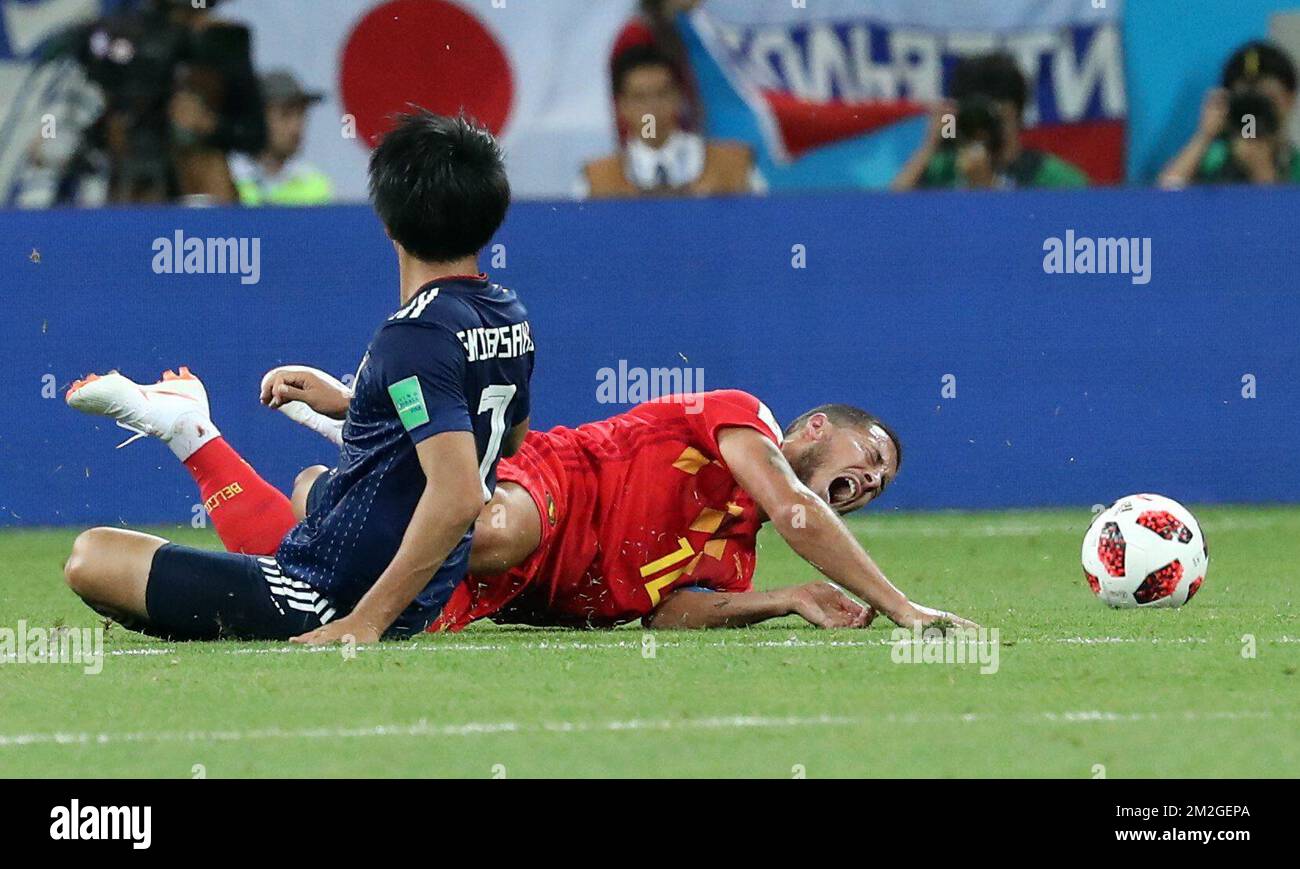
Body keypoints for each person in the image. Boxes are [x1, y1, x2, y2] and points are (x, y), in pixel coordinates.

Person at [62, 110, 533, 645]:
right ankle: (189, 428)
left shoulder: (414, 334)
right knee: (313, 485)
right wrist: (357, 405)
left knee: (90, 556)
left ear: (388, 221)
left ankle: (188, 428)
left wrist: (365, 622)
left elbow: (457, 495)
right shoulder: (507, 314)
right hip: (406, 594)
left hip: (329, 594)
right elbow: (504, 438)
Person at [69, 363, 972, 634]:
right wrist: (904, 608)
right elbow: (800, 513)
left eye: (882, 484)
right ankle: (362, 437)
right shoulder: (746, 420)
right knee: (493, 527)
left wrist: (783, 596)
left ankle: (205, 433)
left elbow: (669, 614)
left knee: (318, 566)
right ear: (814, 427)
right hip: (547, 483)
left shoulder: (737, 549)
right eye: (871, 454)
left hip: (507, 591)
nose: (874, 479)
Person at [578, 44, 764, 198]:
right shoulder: (595, 179)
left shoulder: (734, 165)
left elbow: (763, 231)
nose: (651, 108)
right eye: (640, 97)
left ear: (679, 98)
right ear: (621, 106)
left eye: (662, 94)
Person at [892, 53, 1088, 191]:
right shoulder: (942, 169)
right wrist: (930, 145)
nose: (980, 128)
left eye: (986, 115)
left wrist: (987, 188)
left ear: (1013, 113)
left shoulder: (1054, 179)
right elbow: (886, 217)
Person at [1159, 41, 1300, 187]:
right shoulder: (1214, 157)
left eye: (1268, 100)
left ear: (1290, 99)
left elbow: (1282, 209)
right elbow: (1167, 193)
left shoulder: (1294, 165)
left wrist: (1262, 172)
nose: (1253, 113)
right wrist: (1204, 136)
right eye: (1246, 102)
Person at [230, 70, 333, 205]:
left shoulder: (316, 184)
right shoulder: (227, 179)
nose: (296, 126)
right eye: (285, 114)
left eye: (301, 114)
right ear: (256, 119)